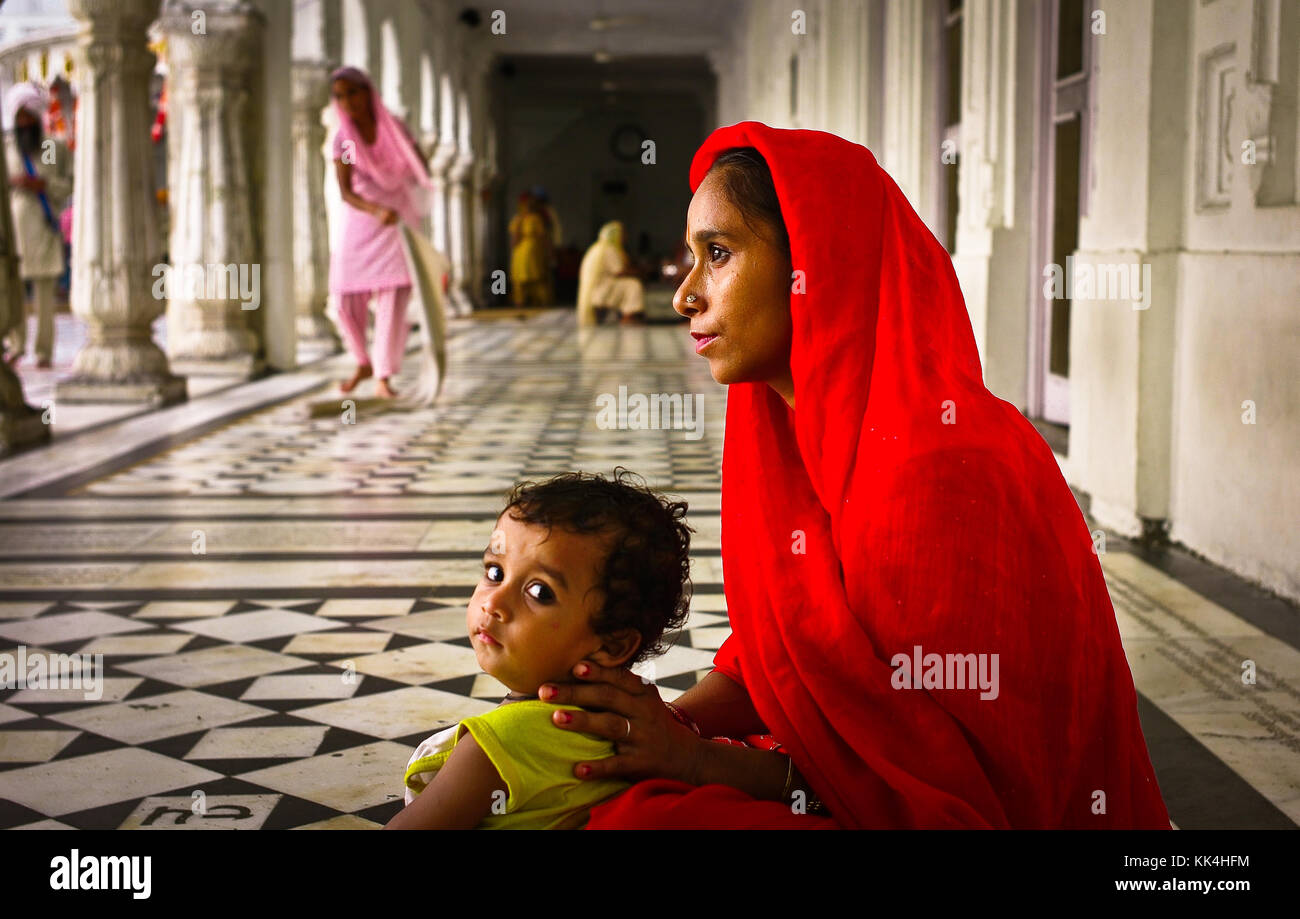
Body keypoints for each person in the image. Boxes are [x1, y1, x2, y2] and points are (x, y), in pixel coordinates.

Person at [538, 122, 1171, 829]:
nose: (687, 294)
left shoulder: (941, 473)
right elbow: (785, 662)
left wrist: (696, 760)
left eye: (718, 254)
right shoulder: (800, 433)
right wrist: (651, 725)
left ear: (817, 261)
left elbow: (953, 792)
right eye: (692, 257)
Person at [385, 470, 693, 829]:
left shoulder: (499, 747)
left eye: (539, 592)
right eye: (495, 572)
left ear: (612, 643)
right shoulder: (630, 731)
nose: (494, 602)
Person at [329, 66, 432, 400]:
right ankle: (363, 360)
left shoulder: (394, 129)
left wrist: (410, 158)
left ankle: (383, 376)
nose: (347, 102)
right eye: (340, 96)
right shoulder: (344, 139)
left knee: (392, 300)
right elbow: (345, 192)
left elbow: (420, 168)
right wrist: (375, 210)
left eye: (353, 93)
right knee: (346, 298)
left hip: (397, 222)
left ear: (367, 92)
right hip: (362, 221)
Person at [3, 83, 72, 369]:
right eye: (20, 118)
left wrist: (41, 183)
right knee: (12, 290)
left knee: (45, 295)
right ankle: (15, 347)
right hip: (14, 230)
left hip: (42, 226)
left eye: (28, 116)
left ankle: (43, 352)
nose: (24, 123)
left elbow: (62, 183)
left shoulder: (49, 146)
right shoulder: (7, 149)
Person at [576, 220, 645, 326]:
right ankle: (630, 314)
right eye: (623, 234)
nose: (625, 237)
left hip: (597, 287)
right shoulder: (609, 249)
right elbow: (619, 271)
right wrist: (640, 272)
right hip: (601, 289)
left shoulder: (597, 248)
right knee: (633, 284)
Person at [508, 192, 550, 307]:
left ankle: (539, 301)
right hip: (522, 251)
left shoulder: (535, 219)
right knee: (521, 279)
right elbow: (514, 237)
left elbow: (543, 237)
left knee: (536, 278)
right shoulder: (518, 219)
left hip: (532, 251)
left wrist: (547, 253)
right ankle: (520, 301)